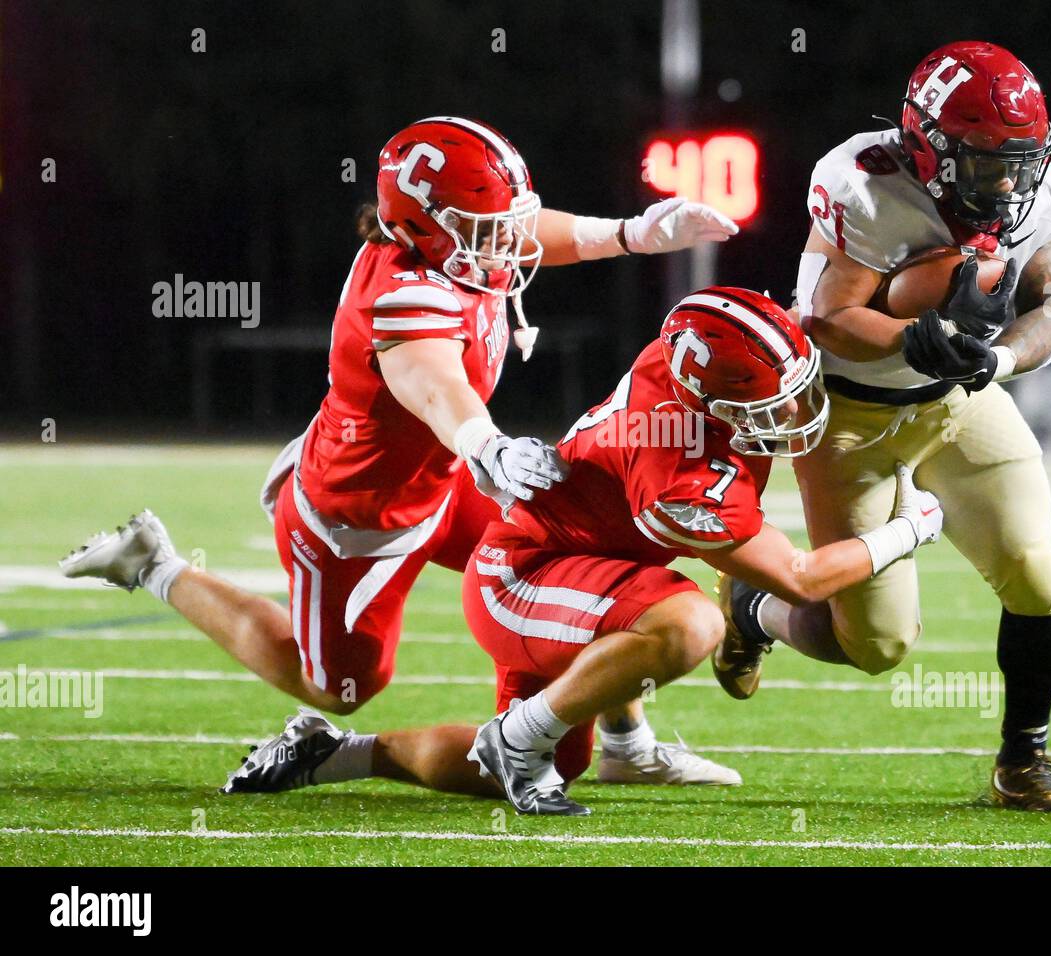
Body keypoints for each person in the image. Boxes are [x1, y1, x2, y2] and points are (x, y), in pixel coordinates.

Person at [60, 115, 743, 792]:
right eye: (486, 227)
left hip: (443, 479)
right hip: (361, 513)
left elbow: (520, 229)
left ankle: (628, 744)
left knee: (579, 551)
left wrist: (632, 234)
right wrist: (486, 446)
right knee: (342, 687)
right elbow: (433, 381)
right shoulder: (405, 289)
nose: (506, 240)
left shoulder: (455, 242)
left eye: (504, 221)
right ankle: (154, 565)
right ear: (423, 227)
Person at [225, 288, 943, 815]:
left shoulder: (682, 365)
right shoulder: (681, 478)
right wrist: (908, 530)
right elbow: (802, 577)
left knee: (562, 757)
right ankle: (518, 738)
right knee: (688, 623)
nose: (791, 413)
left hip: (570, 564)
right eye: (770, 403)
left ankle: (335, 753)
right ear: (711, 405)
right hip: (522, 579)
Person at [715, 42, 1051, 812]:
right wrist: (911, 338)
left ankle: (1024, 759)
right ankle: (755, 607)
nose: (1010, 182)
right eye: (988, 163)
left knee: (1037, 573)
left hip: (958, 402)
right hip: (848, 415)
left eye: (1021, 160)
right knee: (876, 647)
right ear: (930, 150)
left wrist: (1000, 363)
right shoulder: (868, 184)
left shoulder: (1045, 180)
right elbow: (825, 318)